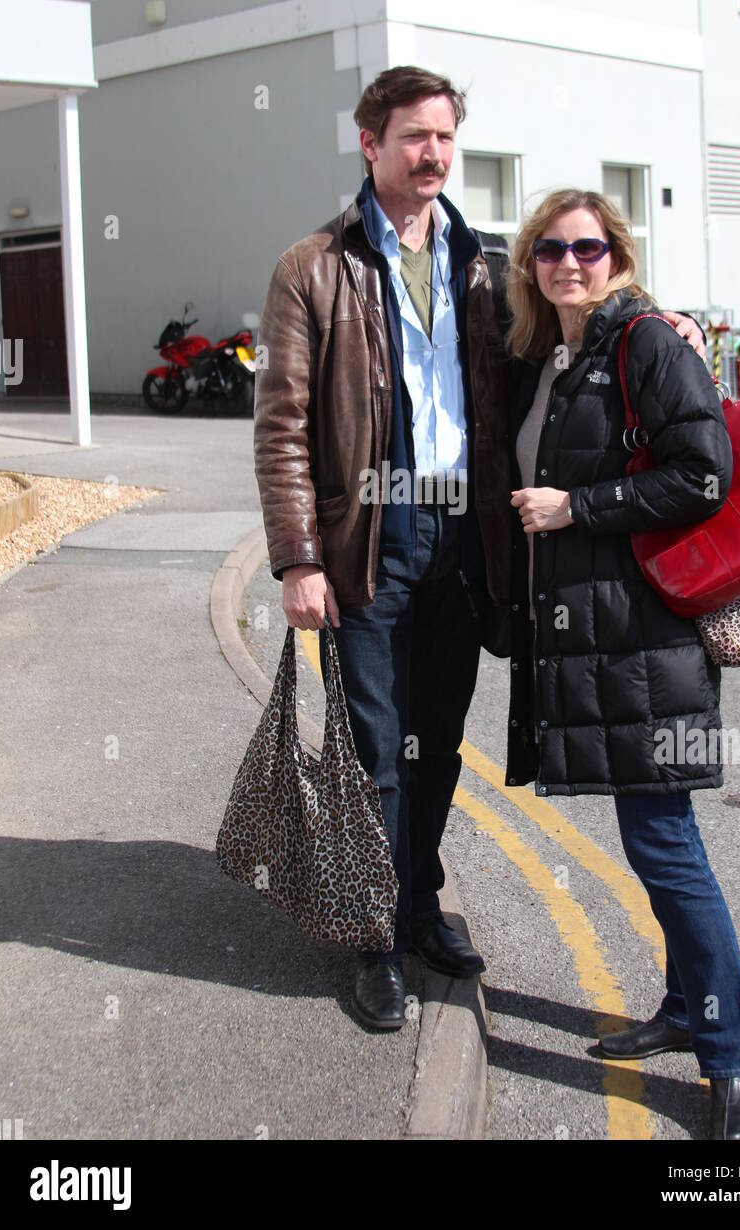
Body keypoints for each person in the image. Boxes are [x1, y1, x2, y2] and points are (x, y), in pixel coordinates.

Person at [253, 66, 706, 1032]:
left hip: (466, 535)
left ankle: (419, 902)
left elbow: (567, 326)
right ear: (369, 143)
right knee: (374, 745)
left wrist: (666, 319)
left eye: (447, 138)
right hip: (370, 534)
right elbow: (284, 423)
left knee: (435, 743)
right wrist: (297, 557)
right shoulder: (312, 267)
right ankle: (374, 935)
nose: (434, 155)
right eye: (415, 136)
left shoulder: (482, 257)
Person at [505, 186, 740, 1140]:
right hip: (592, 640)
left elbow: (701, 475)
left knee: (666, 847)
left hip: (645, 643)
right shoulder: (549, 357)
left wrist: (578, 508)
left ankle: (733, 1058)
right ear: (529, 266)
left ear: (617, 254)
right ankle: (682, 1009)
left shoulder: (644, 342)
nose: (569, 261)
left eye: (588, 246)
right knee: (652, 844)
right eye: (549, 249)